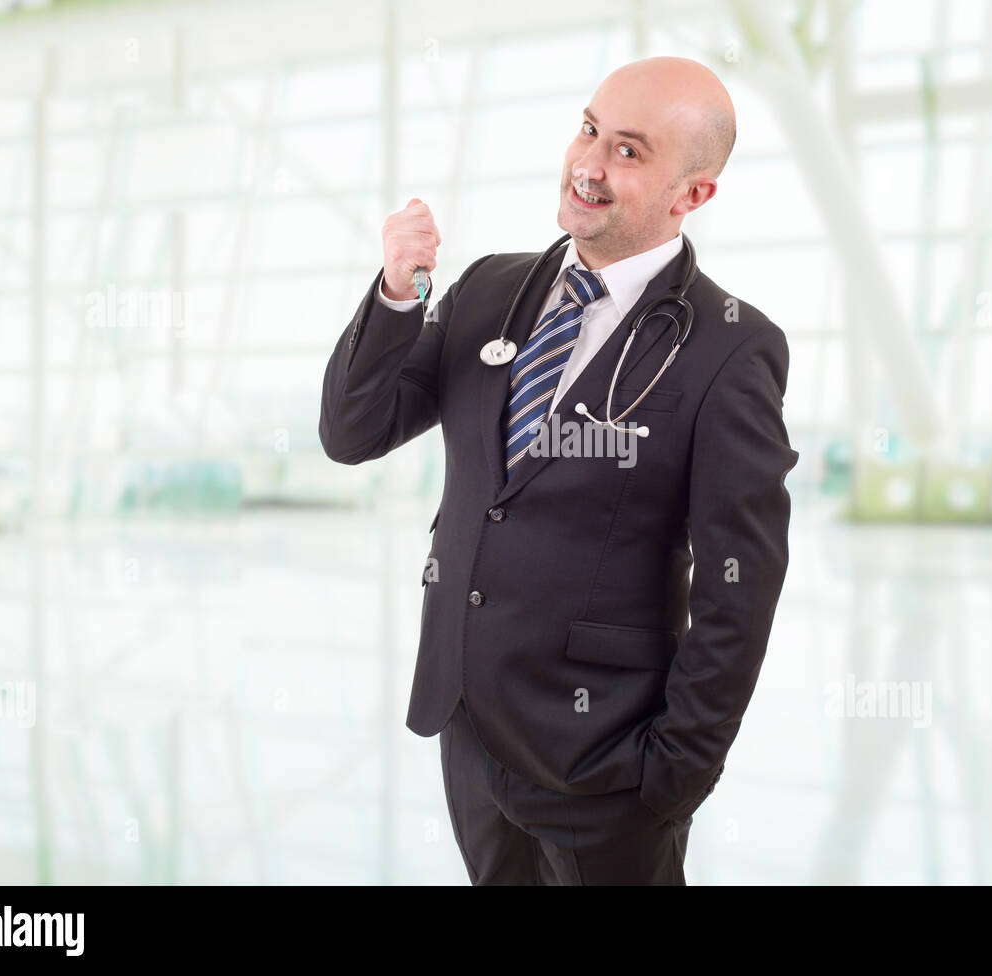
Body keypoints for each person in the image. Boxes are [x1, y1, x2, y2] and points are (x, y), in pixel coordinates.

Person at [320, 56, 798, 884]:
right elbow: (353, 432)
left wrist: (671, 778)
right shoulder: (485, 292)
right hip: (469, 730)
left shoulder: (730, 347)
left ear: (694, 195)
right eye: (589, 130)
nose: (590, 164)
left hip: (607, 765)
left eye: (631, 152)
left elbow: (741, 584)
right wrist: (398, 293)